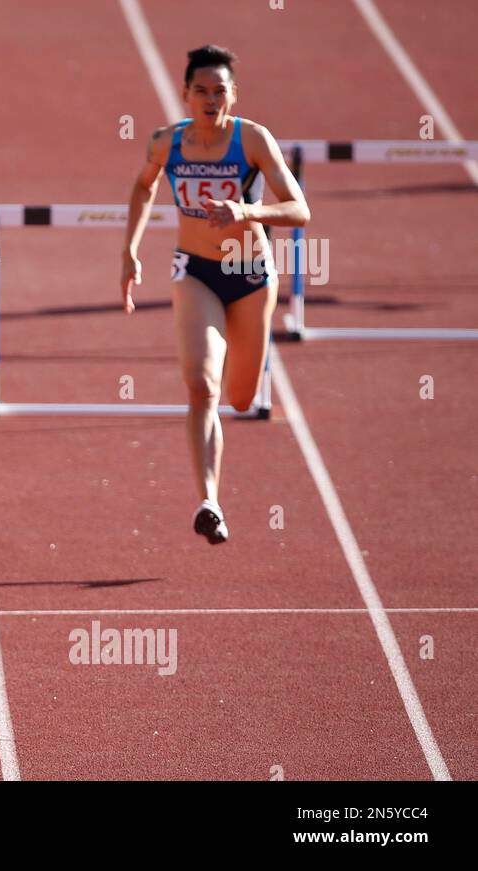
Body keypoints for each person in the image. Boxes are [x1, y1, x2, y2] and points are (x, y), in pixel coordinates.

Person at [121, 45, 309, 544]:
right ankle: (209, 500)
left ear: (232, 95)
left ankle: (236, 392)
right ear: (185, 95)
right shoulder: (167, 143)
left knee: (242, 398)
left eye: (219, 90)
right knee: (201, 385)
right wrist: (130, 249)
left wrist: (247, 213)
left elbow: (299, 209)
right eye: (200, 90)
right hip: (195, 271)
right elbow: (143, 187)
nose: (210, 99)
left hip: (249, 275)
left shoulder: (252, 140)